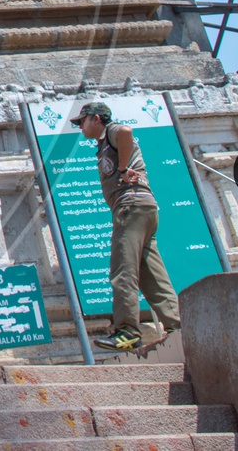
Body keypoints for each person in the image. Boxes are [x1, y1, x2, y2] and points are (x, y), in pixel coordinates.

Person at [70, 100, 181, 353]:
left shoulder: (112, 131)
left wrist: (122, 168)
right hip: (143, 210)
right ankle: (179, 326)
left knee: (123, 270)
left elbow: (126, 132)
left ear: (96, 118)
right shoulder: (103, 144)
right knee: (151, 275)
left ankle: (128, 331)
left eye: (82, 121)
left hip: (130, 207)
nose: (81, 128)